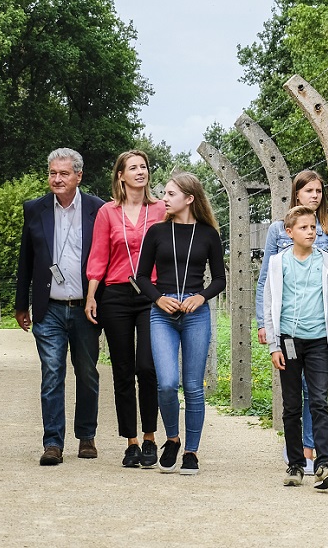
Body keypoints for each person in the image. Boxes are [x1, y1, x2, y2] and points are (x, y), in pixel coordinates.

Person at [255, 170, 328, 473]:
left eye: (319, 191)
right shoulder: (278, 231)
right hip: (288, 331)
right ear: (297, 194)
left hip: (319, 329)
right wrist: (263, 323)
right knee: (293, 396)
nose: (314, 195)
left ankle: (313, 452)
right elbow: (266, 284)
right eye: (309, 190)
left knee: (317, 394)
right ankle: (297, 452)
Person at [15, 147, 106, 466]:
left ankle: (86, 436)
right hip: (49, 307)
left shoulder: (99, 209)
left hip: (85, 307)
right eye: (52, 173)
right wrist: (20, 303)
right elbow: (26, 258)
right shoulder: (35, 209)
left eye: (63, 173)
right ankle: (52, 442)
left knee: (87, 372)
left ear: (78, 176)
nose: (56, 179)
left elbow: (106, 259)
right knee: (52, 372)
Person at [135, 171, 226, 475]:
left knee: (192, 386)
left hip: (195, 313)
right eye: (165, 193)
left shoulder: (209, 234)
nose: (164, 198)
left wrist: (200, 297)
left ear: (189, 198)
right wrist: (158, 299)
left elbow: (220, 279)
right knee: (167, 383)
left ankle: (191, 451)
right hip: (162, 313)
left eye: (170, 194)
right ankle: (172, 439)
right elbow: (142, 277)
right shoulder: (157, 232)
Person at [84, 150, 167, 468]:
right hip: (116, 295)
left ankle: (150, 436)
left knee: (147, 366)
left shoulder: (160, 209)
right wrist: (92, 295)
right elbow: (99, 256)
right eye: (133, 168)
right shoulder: (108, 212)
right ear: (120, 175)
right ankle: (131, 441)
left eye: (143, 167)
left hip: (151, 294)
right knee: (122, 369)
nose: (140, 172)